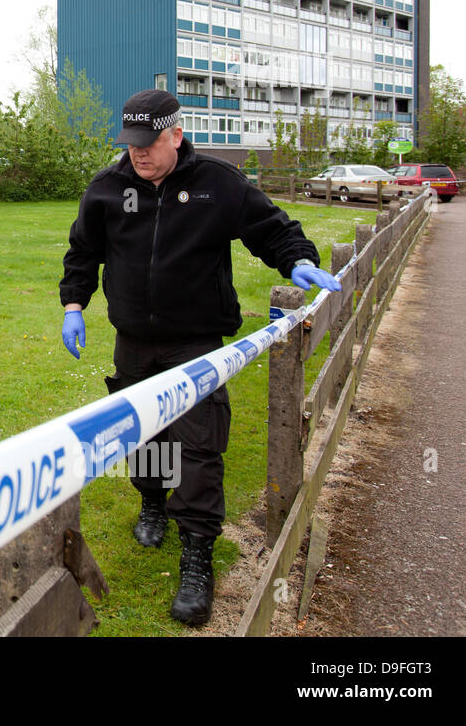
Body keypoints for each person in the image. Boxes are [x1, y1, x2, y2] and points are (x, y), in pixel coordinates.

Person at [58, 88, 340, 626]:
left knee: (199, 443)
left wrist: (297, 260)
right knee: (142, 433)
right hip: (134, 340)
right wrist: (74, 305)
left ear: (176, 136)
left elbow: (272, 229)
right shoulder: (108, 189)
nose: (139, 154)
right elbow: (83, 251)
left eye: (150, 144)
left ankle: (197, 553)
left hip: (197, 342)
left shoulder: (217, 184)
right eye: (132, 144)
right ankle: (152, 503)